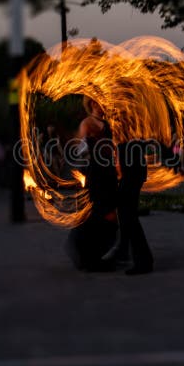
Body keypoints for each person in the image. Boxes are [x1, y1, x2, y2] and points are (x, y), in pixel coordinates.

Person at [65, 96, 119, 271]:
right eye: (101, 102)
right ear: (93, 104)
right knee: (97, 213)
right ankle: (86, 255)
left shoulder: (109, 124)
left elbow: (113, 149)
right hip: (96, 175)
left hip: (108, 174)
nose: (105, 105)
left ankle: (95, 254)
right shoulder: (87, 124)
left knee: (109, 214)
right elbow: (79, 152)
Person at [105, 138, 154, 275]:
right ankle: (125, 252)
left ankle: (144, 261)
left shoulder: (129, 125)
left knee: (129, 217)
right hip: (131, 170)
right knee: (125, 215)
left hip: (132, 171)